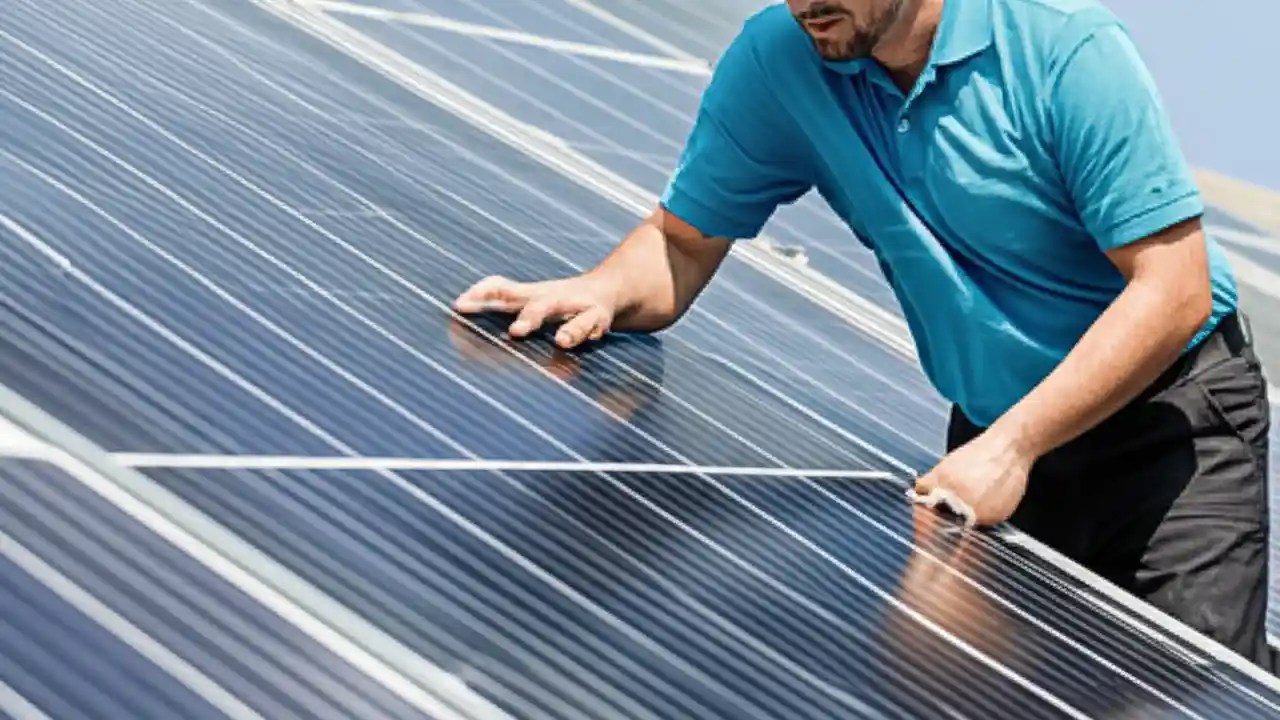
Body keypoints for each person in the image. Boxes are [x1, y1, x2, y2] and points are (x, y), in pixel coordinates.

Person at [454, 0, 1273, 666]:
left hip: (1170, 426)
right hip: (993, 429)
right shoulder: (781, 59)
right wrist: (600, 288)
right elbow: (682, 242)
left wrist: (1013, 448)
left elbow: (1172, 292)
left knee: (1182, 691)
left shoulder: (1067, 53)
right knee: (982, 684)